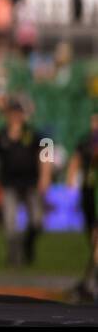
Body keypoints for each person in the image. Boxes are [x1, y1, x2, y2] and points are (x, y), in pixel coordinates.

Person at [0, 99, 52, 267]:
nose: (14, 117)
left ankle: (28, 245)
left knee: (37, 220)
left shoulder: (32, 134)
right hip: (9, 184)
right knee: (11, 224)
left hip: (31, 182)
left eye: (17, 113)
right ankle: (14, 256)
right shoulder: (1, 136)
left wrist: (45, 177)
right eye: (11, 113)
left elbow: (46, 152)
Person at [66, 113, 98, 297]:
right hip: (90, 192)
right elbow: (76, 159)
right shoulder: (86, 141)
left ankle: (91, 283)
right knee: (92, 234)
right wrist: (71, 180)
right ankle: (91, 283)